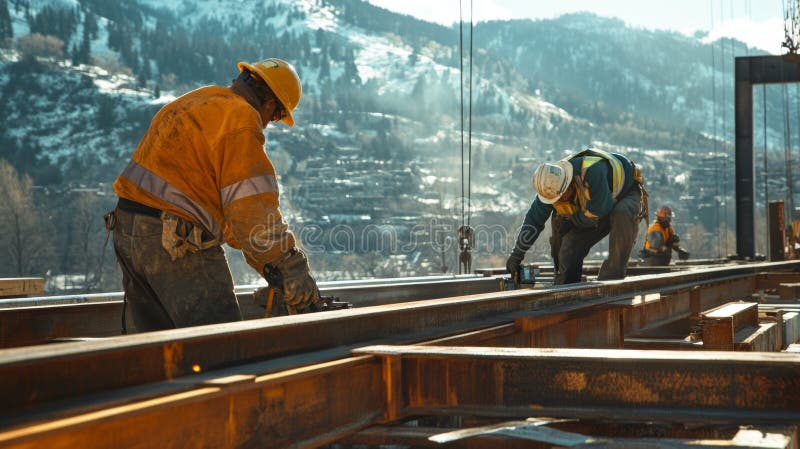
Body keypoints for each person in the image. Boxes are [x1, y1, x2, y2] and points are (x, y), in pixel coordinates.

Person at [109, 58, 320, 331]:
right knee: (220, 347)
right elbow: (252, 211)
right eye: (277, 116)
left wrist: (270, 269)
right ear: (270, 104)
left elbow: (233, 221)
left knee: (154, 351)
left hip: (127, 231)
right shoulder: (241, 119)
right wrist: (289, 267)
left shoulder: (198, 100)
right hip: (175, 241)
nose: (269, 123)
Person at [505, 148, 646, 285]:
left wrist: (573, 220)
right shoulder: (550, 187)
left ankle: (612, 280)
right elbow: (533, 221)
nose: (557, 202)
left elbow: (600, 211)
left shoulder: (591, 172)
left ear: (568, 185)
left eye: (560, 198)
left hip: (625, 193)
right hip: (594, 205)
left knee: (622, 213)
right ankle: (567, 285)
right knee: (568, 243)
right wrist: (517, 255)